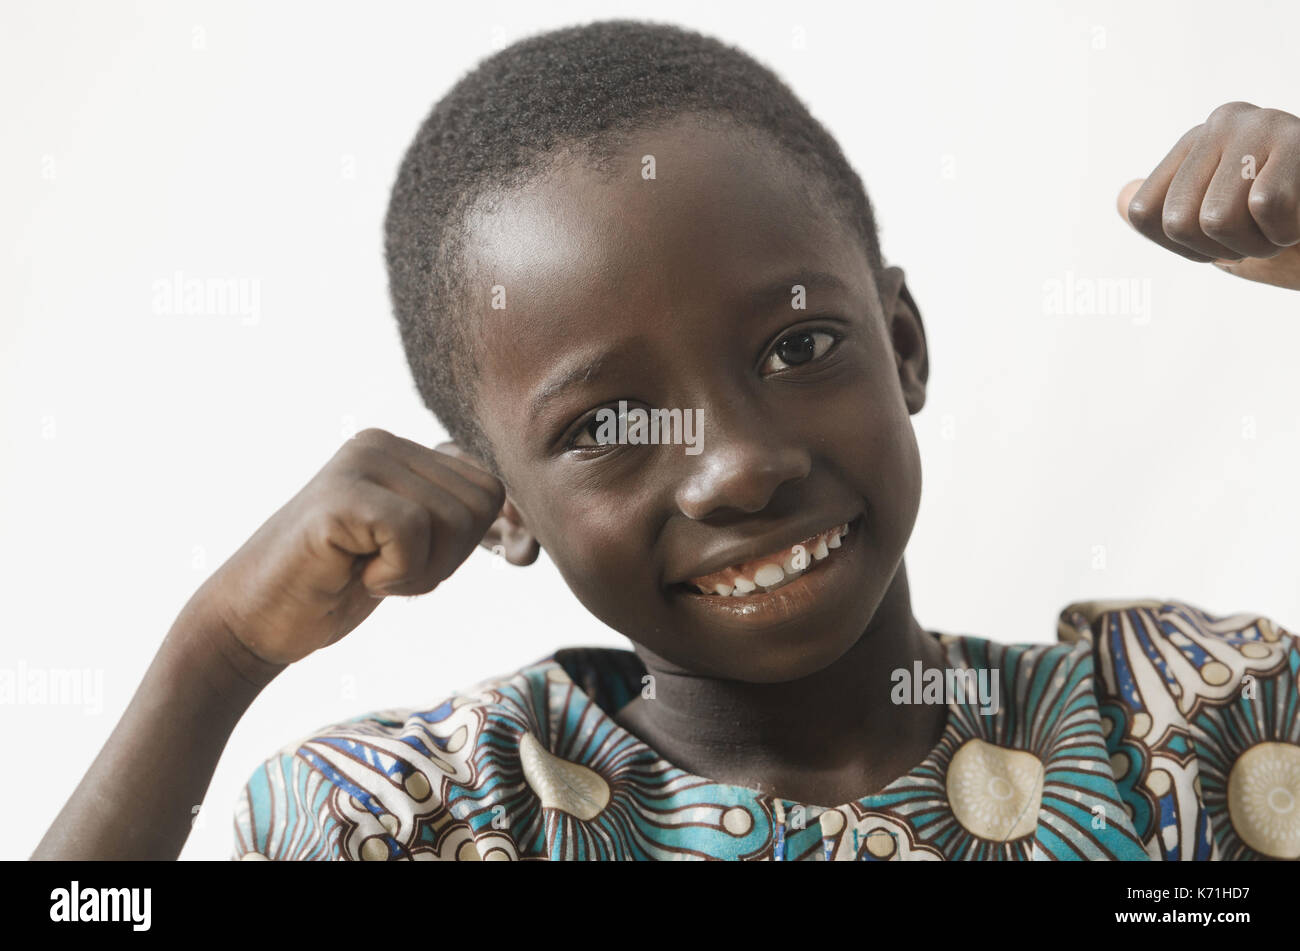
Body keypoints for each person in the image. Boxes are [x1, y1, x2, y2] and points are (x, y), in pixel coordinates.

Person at [32, 21, 1300, 862]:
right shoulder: (420, 817)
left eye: (796, 349)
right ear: (505, 505)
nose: (739, 464)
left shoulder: (1186, 723)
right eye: (602, 427)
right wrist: (215, 657)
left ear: (902, 342)